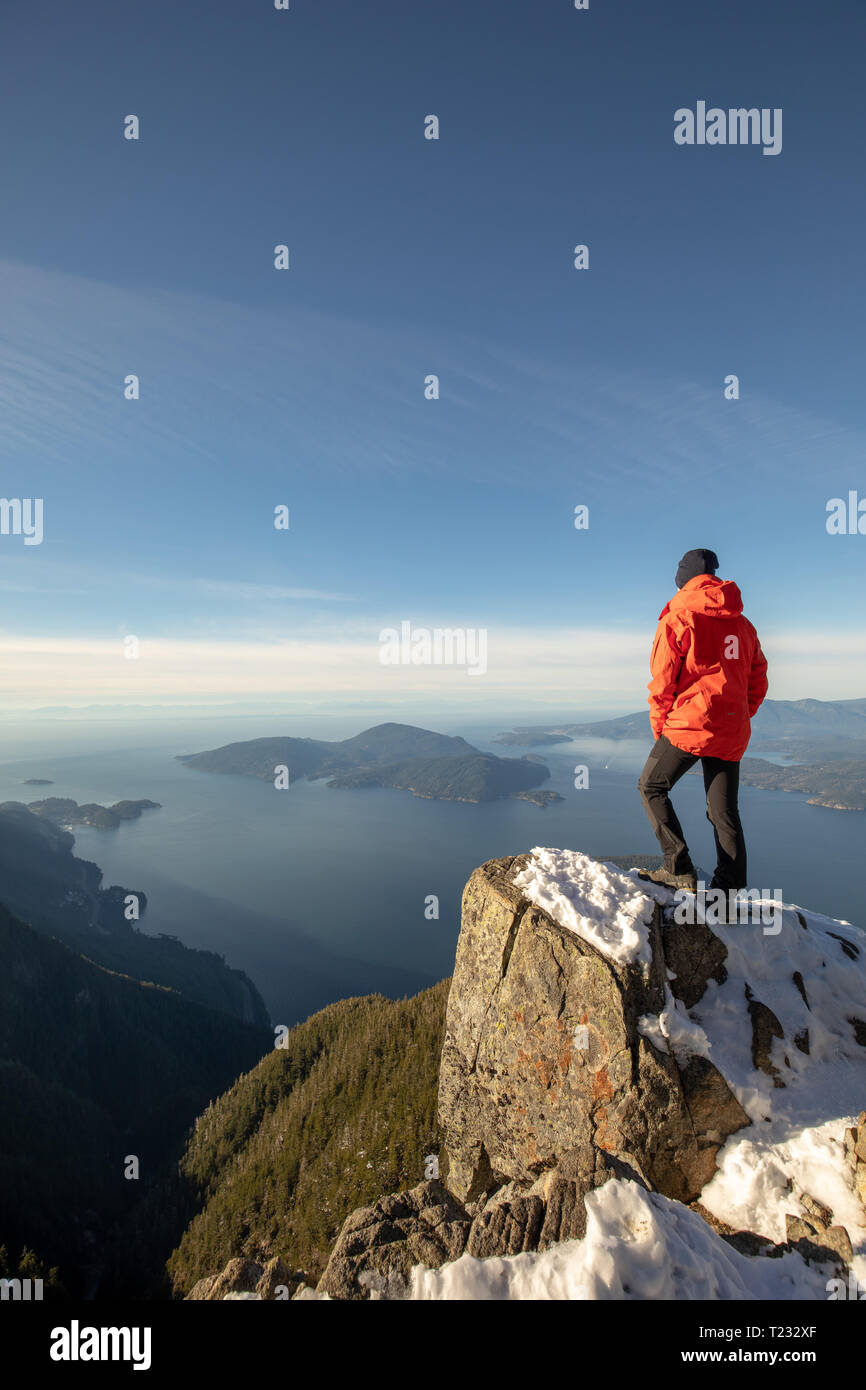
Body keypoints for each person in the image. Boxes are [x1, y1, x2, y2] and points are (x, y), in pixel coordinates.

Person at [636, 548, 768, 894]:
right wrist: (740, 713)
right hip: (731, 729)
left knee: (651, 786)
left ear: (683, 578)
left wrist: (661, 726)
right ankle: (730, 889)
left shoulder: (678, 617)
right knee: (724, 811)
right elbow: (759, 675)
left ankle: (678, 868)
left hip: (690, 724)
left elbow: (662, 682)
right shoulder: (743, 624)